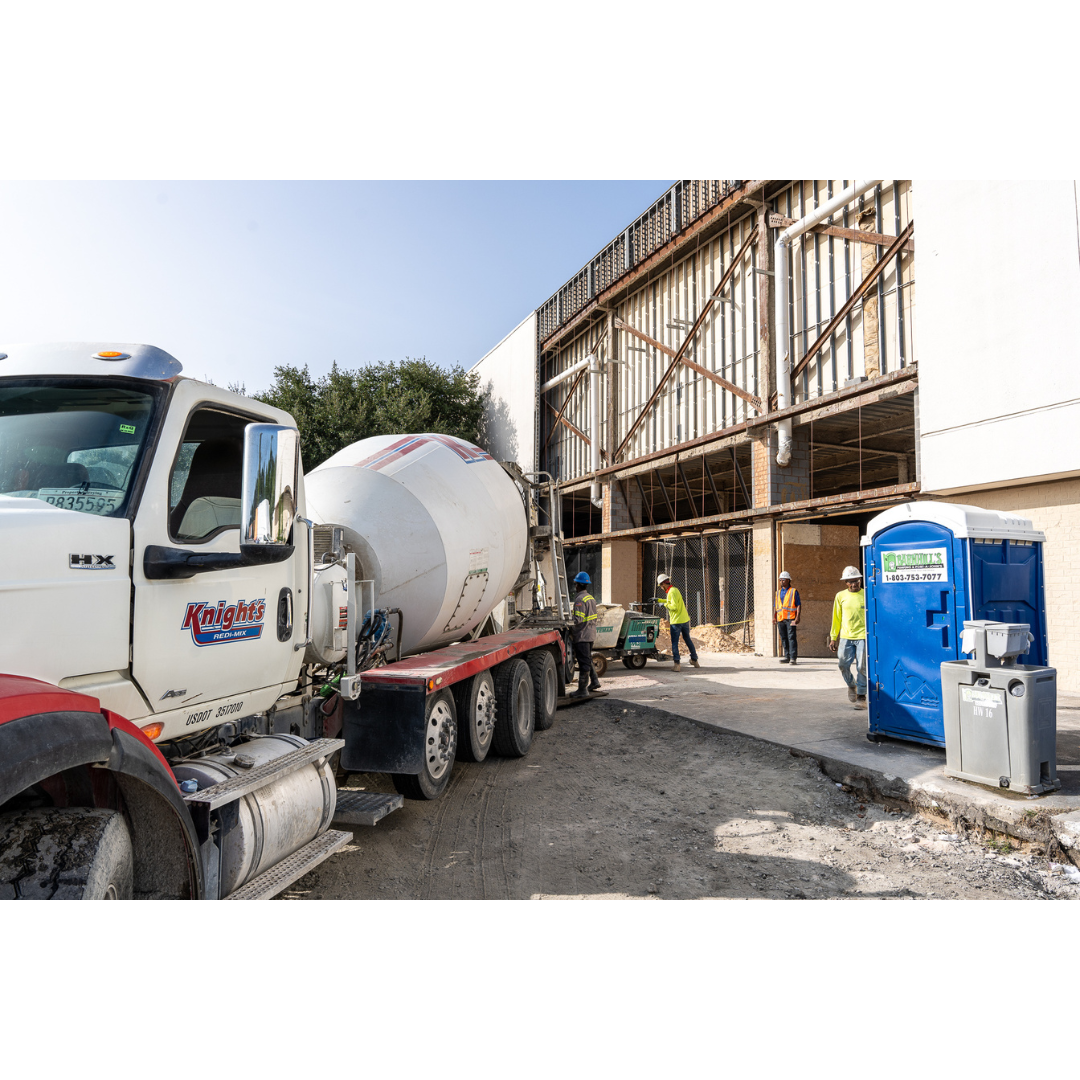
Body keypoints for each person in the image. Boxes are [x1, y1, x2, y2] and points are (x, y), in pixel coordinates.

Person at [829, 565, 867, 708]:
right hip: (846, 636)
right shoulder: (840, 596)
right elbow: (836, 618)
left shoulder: (866, 594)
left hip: (863, 635)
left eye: (856, 580)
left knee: (862, 666)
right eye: (850, 581)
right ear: (845, 583)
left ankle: (862, 696)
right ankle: (852, 685)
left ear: (860, 580)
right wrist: (833, 637)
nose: (854, 584)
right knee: (843, 664)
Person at [656, 573, 699, 673]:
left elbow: (673, 606)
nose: (661, 588)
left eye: (661, 586)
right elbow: (671, 601)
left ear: (663, 584)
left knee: (675, 643)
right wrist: (658, 600)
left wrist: (664, 605)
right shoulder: (674, 590)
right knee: (687, 639)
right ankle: (694, 660)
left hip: (676, 622)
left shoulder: (671, 592)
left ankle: (677, 664)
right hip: (684, 620)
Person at [568, 571, 601, 699]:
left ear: (578, 585)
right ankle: (595, 681)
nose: (575, 586)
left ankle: (582, 690)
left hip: (582, 635)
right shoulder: (591, 598)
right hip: (590, 633)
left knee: (583, 662)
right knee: (587, 658)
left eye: (575, 584)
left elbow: (578, 620)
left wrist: (568, 622)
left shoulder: (580, 599)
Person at [773, 570, 801, 665]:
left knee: (791, 637)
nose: (781, 582)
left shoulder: (793, 592)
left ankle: (793, 658)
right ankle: (787, 656)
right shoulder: (778, 593)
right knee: (784, 638)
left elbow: (798, 605)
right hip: (780, 619)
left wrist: (798, 617)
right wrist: (774, 617)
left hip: (791, 618)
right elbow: (775, 606)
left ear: (788, 580)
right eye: (780, 580)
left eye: (783, 580)